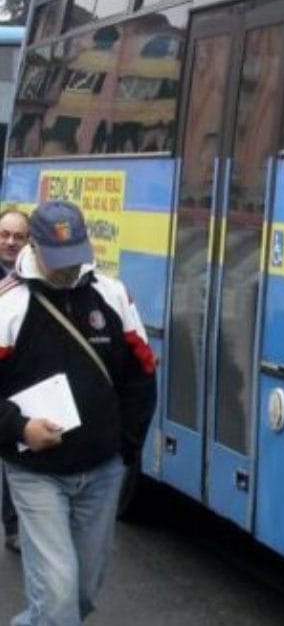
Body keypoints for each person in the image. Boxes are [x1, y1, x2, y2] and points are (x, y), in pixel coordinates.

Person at [0, 200, 157, 626]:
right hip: (36, 474)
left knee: (81, 596)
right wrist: (20, 428)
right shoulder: (8, 305)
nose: (69, 270)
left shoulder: (113, 295)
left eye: (76, 258)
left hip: (102, 472)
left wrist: (125, 448)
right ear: (36, 247)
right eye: (58, 260)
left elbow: (142, 375)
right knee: (57, 602)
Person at [0, 209, 30, 554]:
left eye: (18, 236)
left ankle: (14, 525)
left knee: (14, 448)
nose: (10, 242)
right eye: (4, 234)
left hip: (20, 376)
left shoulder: (36, 276)